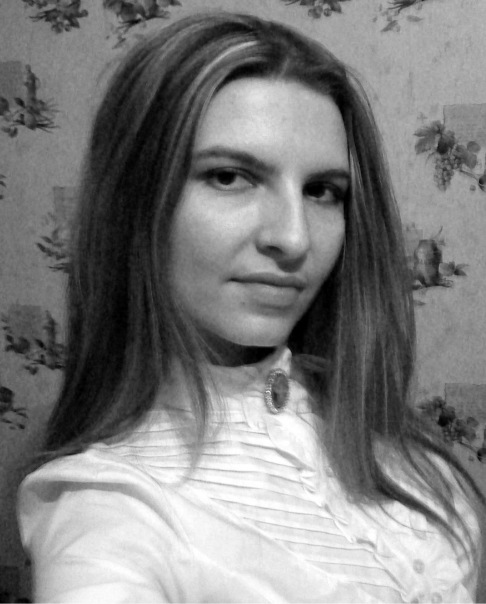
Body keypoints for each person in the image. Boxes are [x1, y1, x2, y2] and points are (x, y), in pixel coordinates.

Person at [17, 11, 484, 603]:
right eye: (230, 177)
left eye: (322, 191)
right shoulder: (110, 510)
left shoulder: (391, 445)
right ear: (135, 203)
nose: (294, 238)